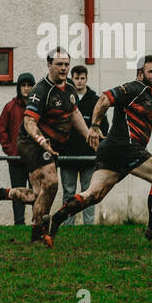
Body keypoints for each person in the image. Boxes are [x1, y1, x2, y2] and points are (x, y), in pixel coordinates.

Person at [45, 54, 152, 243]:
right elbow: (105, 98)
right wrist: (95, 126)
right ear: (141, 74)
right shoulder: (133, 88)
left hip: (112, 151)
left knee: (93, 195)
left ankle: (54, 220)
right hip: (125, 146)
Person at [0, 50, 98, 243]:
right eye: (59, 64)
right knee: (51, 183)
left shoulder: (70, 89)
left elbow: (74, 114)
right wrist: (42, 142)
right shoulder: (40, 90)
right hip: (32, 143)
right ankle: (38, 234)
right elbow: (29, 122)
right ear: (49, 65)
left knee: (37, 195)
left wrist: (88, 134)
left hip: (50, 145)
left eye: (66, 64)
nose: (64, 68)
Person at [58, 65, 108, 226]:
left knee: (89, 193)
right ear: (71, 78)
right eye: (76, 78)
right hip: (67, 156)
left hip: (89, 157)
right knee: (69, 192)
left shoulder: (95, 101)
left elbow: (104, 127)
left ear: (86, 79)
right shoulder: (64, 99)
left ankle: (89, 226)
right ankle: (68, 225)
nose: (79, 81)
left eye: (82, 78)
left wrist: (97, 148)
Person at [0, 72, 37, 225]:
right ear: (19, 87)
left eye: (29, 85)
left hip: (35, 160)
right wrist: (11, 150)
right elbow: (2, 131)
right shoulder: (10, 107)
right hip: (16, 160)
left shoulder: (39, 107)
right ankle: (18, 223)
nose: (26, 89)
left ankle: (36, 222)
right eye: (23, 85)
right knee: (18, 193)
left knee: (36, 193)